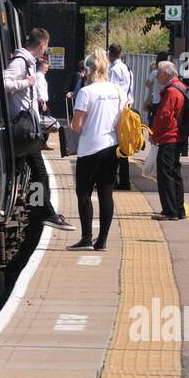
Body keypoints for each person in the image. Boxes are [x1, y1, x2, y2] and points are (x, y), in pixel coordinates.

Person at [4, 28, 72, 230]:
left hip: (26, 127)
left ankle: (39, 210)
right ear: (42, 45)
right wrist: (27, 82)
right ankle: (44, 213)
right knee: (39, 173)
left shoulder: (27, 62)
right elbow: (3, 82)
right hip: (22, 127)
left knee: (30, 172)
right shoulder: (20, 62)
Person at [68, 49, 126, 250]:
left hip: (89, 148)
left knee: (83, 192)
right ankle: (102, 240)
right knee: (106, 192)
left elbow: (76, 126)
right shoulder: (118, 91)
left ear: (88, 69)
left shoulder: (86, 92)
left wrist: (73, 125)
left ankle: (86, 237)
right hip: (112, 146)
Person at [148, 60, 187, 221]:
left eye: (159, 73)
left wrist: (153, 133)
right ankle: (179, 209)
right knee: (175, 173)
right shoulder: (181, 87)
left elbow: (163, 115)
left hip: (169, 137)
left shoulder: (171, 92)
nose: (157, 76)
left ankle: (169, 211)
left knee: (165, 175)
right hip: (179, 136)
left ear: (166, 73)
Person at [106, 44, 134, 191]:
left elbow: (111, 90)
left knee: (113, 146)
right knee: (123, 146)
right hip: (127, 108)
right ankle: (124, 180)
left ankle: (111, 180)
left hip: (116, 110)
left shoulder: (114, 70)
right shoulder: (127, 68)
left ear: (110, 54)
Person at [145, 51, 169, 119]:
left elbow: (147, 84)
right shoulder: (169, 73)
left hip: (156, 101)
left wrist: (151, 71)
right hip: (165, 101)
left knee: (153, 122)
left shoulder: (155, 72)